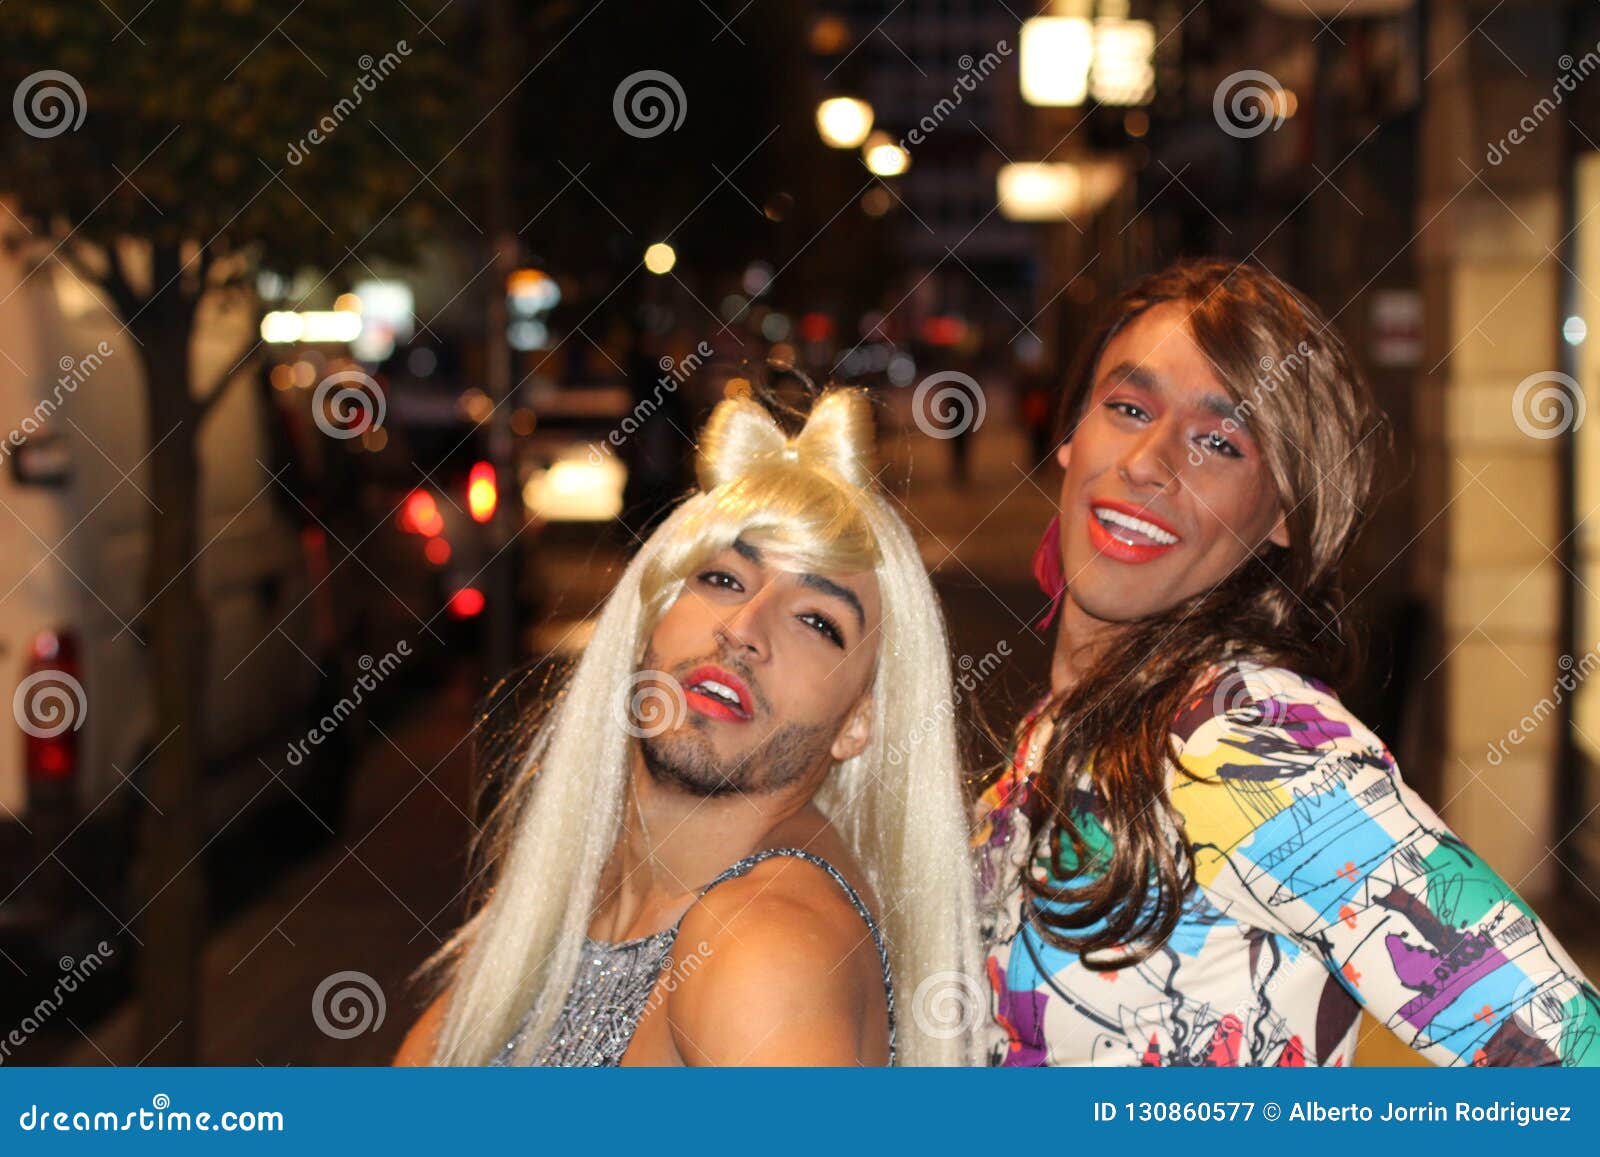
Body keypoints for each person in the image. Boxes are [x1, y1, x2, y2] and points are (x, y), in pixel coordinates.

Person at [975, 257, 1600, 1067]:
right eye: (1128, 407)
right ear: (1069, 437)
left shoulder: (1249, 743)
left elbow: (1567, 1054)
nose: (1149, 462)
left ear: (1280, 514)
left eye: (1218, 442)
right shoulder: (1070, 717)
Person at [396, 389, 982, 1067]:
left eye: (818, 621)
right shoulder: (566, 892)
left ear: (860, 720)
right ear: (650, 620)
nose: (744, 628)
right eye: (722, 577)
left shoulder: (764, 948)